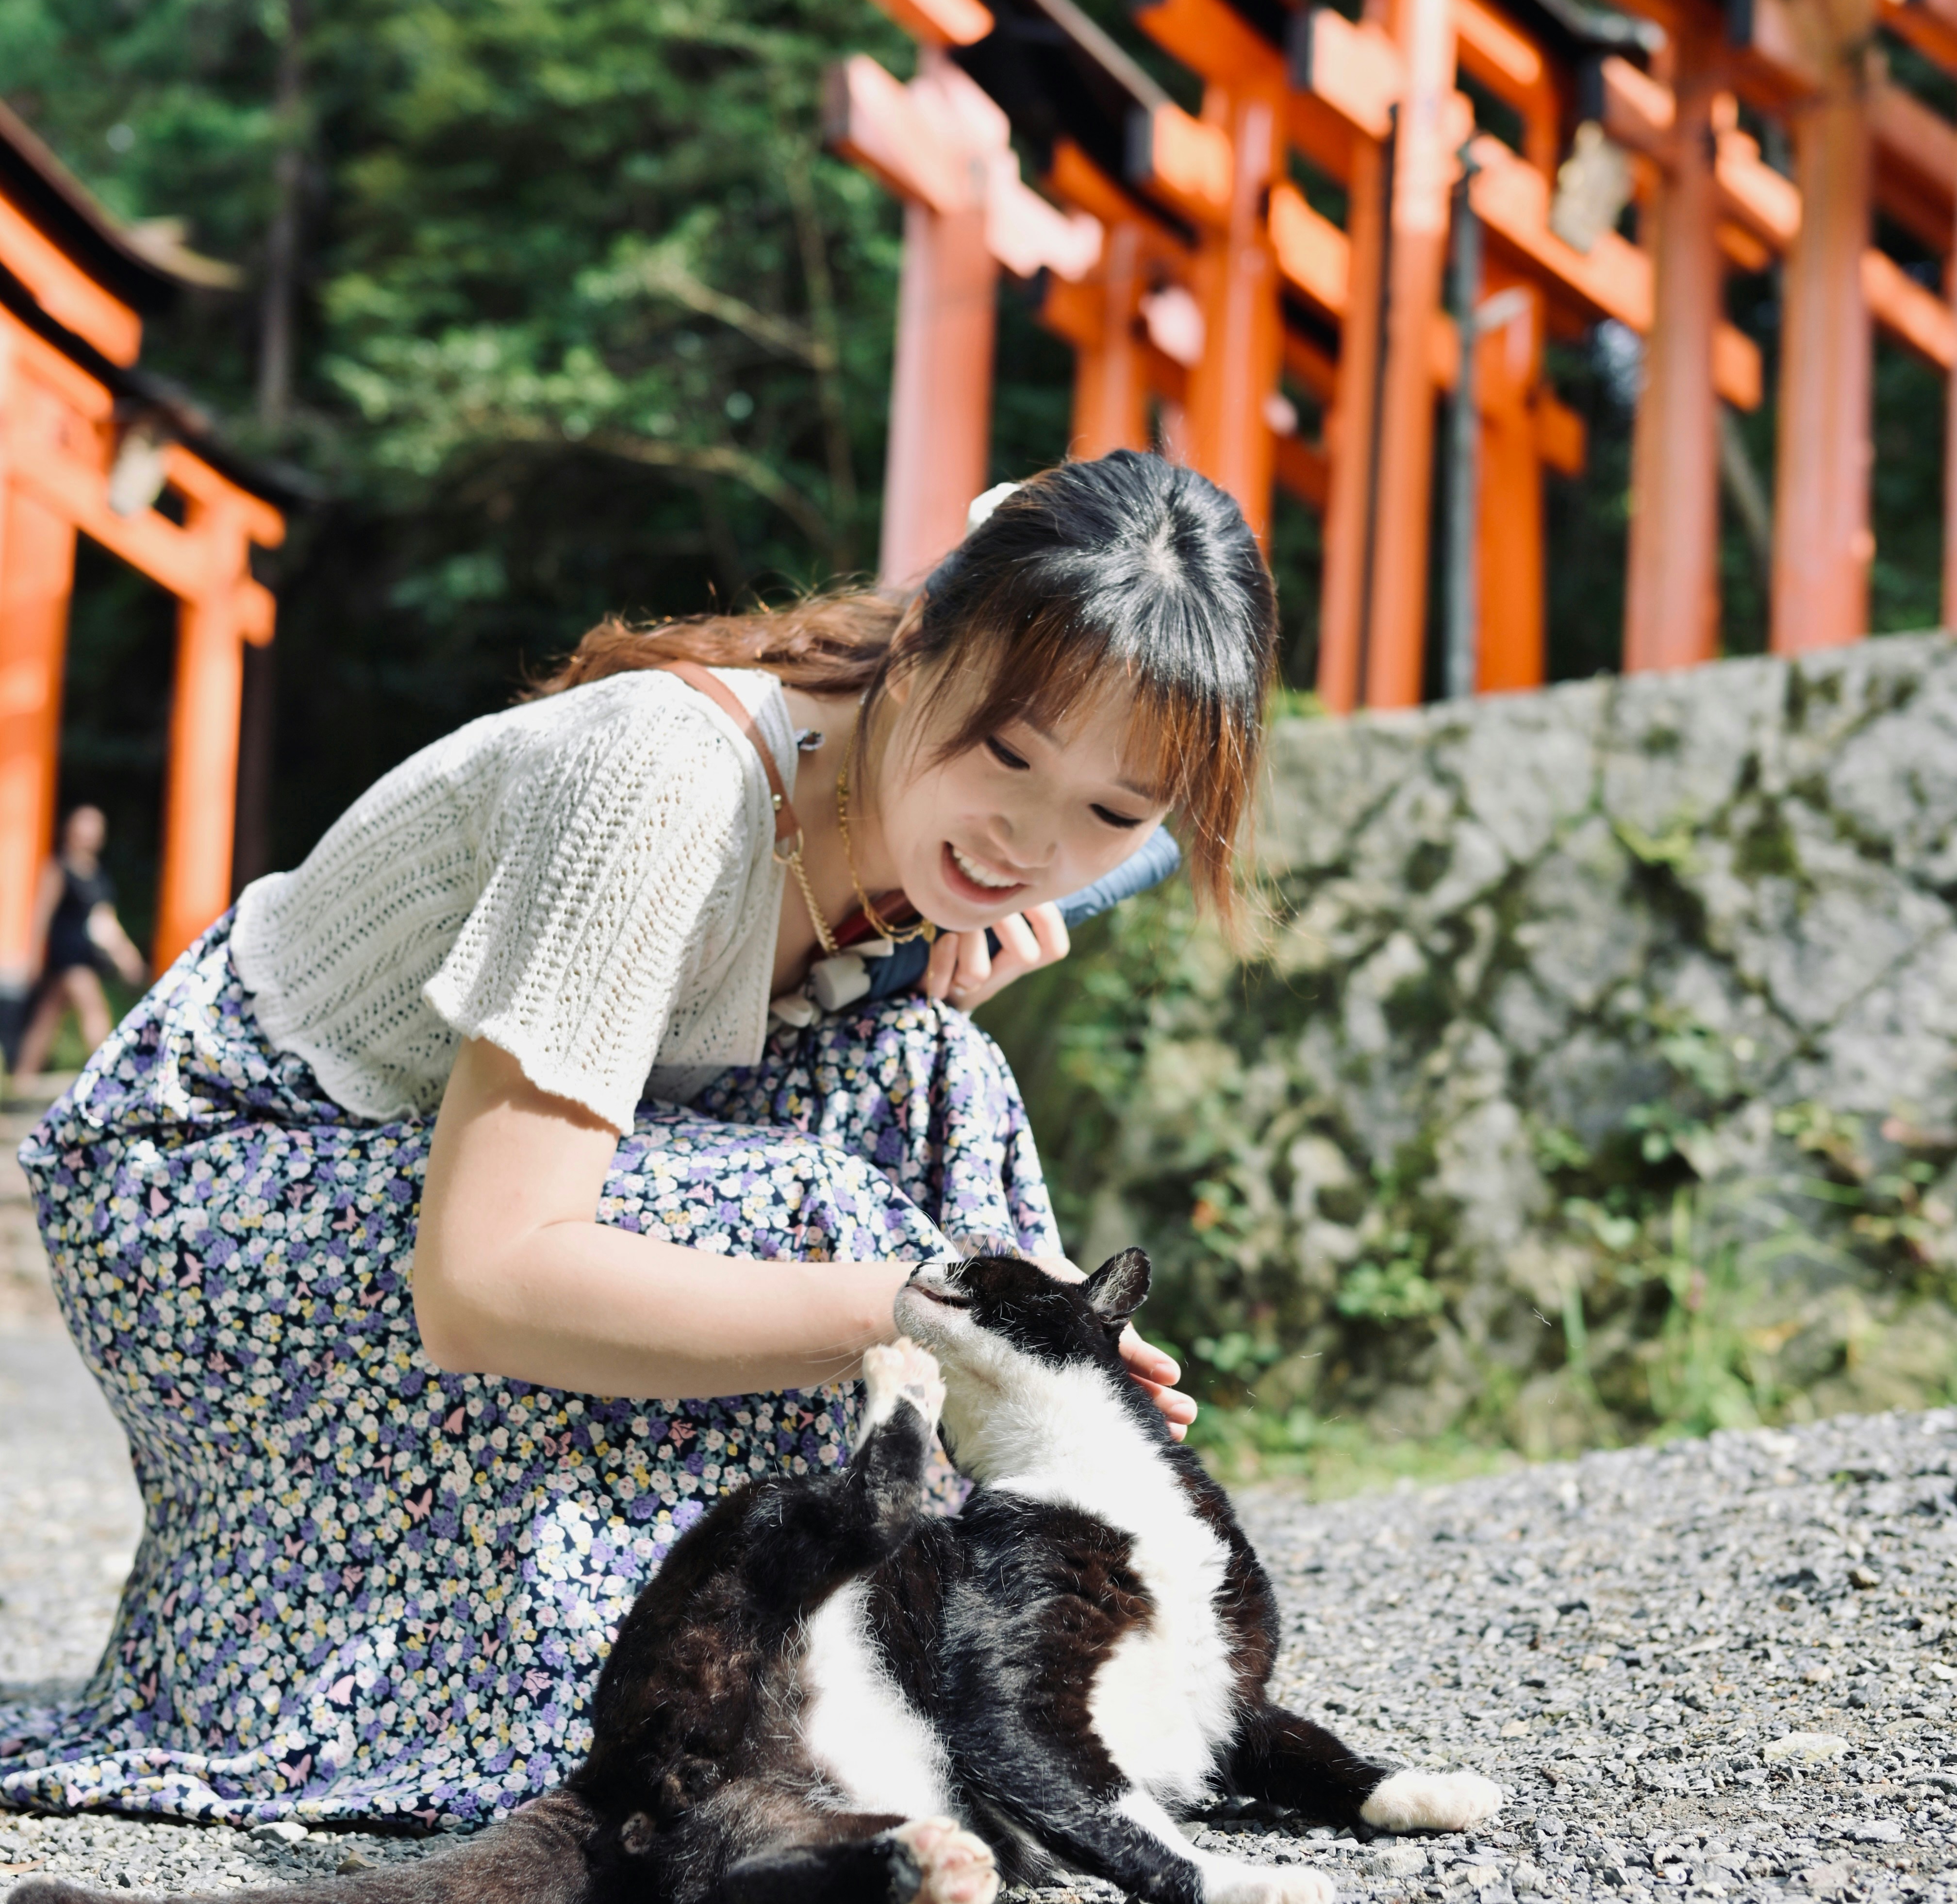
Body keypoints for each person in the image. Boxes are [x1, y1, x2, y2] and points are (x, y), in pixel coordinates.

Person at [0, 452, 1276, 1829]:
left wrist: (894, 967)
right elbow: (485, 1276)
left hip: (418, 1166)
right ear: (918, 644)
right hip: (212, 1182)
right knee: (834, 1224)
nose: (1028, 840)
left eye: (1109, 814)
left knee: (932, 1081)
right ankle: (654, 1682)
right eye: (1007, 753)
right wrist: (916, 1317)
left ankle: (965, 1657)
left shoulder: (918, 847)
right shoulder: (663, 782)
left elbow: (866, 1036)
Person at [13, 804, 147, 1080]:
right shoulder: (59, 868)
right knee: (94, 1009)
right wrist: (35, 955)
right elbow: (42, 914)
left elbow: (105, 922)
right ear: (70, 830)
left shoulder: (97, 874)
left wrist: (125, 955)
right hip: (67, 954)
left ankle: (22, 1077)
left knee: (47, 1016)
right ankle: (106, 1075)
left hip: (86, 953)